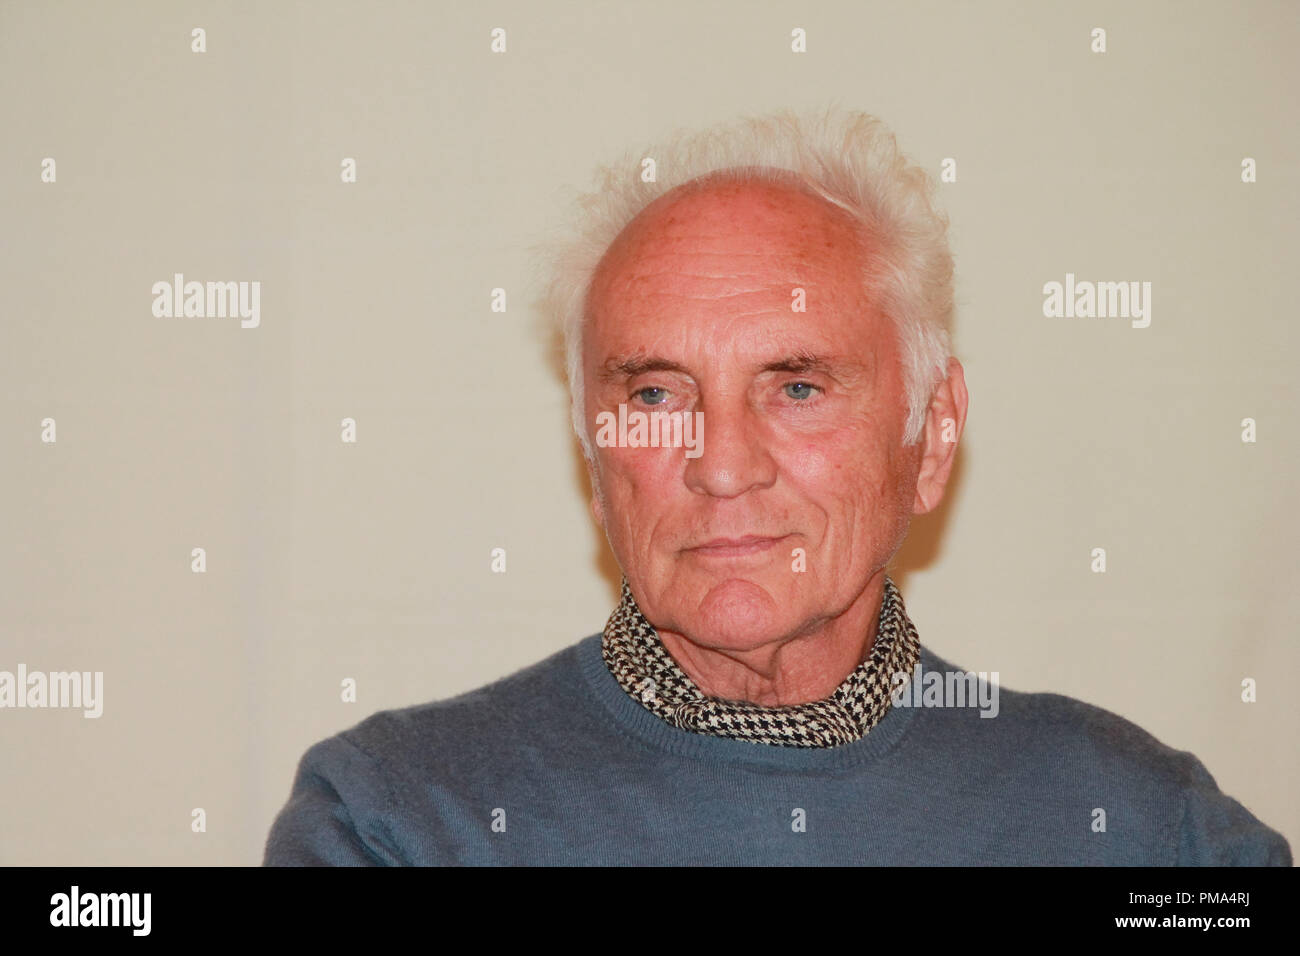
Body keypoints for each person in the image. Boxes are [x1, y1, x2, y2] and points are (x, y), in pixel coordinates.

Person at [263, 108, 1290, 865]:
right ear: (595, 458)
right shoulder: (397, 818)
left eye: (796, 386)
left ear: (929, 439)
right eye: (658, 392)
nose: (721, 463)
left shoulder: (1143, 827)